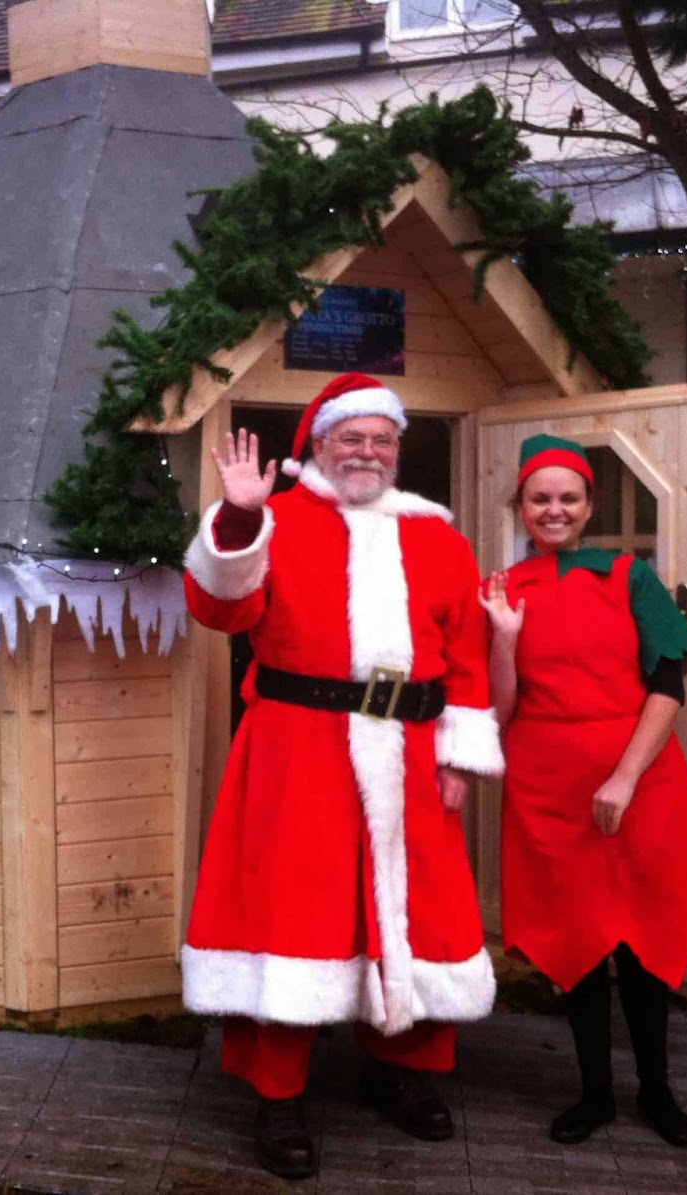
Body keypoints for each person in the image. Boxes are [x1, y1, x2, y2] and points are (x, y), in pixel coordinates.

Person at [180, 372, 504, 1180]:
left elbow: (465, 652)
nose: (367, 451)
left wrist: (462, 751)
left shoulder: (438, 536)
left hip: (412, 750)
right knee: (294, 916)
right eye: (350, 437)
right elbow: (219, 609)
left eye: (381, 439)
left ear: (399, 449)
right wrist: (241, 515)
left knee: (415, 911)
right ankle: (277, 1095)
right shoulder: (272, 520)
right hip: (298, 746)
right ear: (319, 444)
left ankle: (402, 1068)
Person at [478, 434, 687, 1149]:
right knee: (581, 940)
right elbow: (499, 711)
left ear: (588, 504)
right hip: (548, 789)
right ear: (522, 506)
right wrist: (502, 638)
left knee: (646, 940)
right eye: (540, 497)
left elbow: (669, 684)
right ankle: (594, 1093)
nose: (554, 509)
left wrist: (624, 775)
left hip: (639, 782)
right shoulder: (504, 588)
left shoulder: (629, 576)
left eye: (568, 497)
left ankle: (656, 1088)